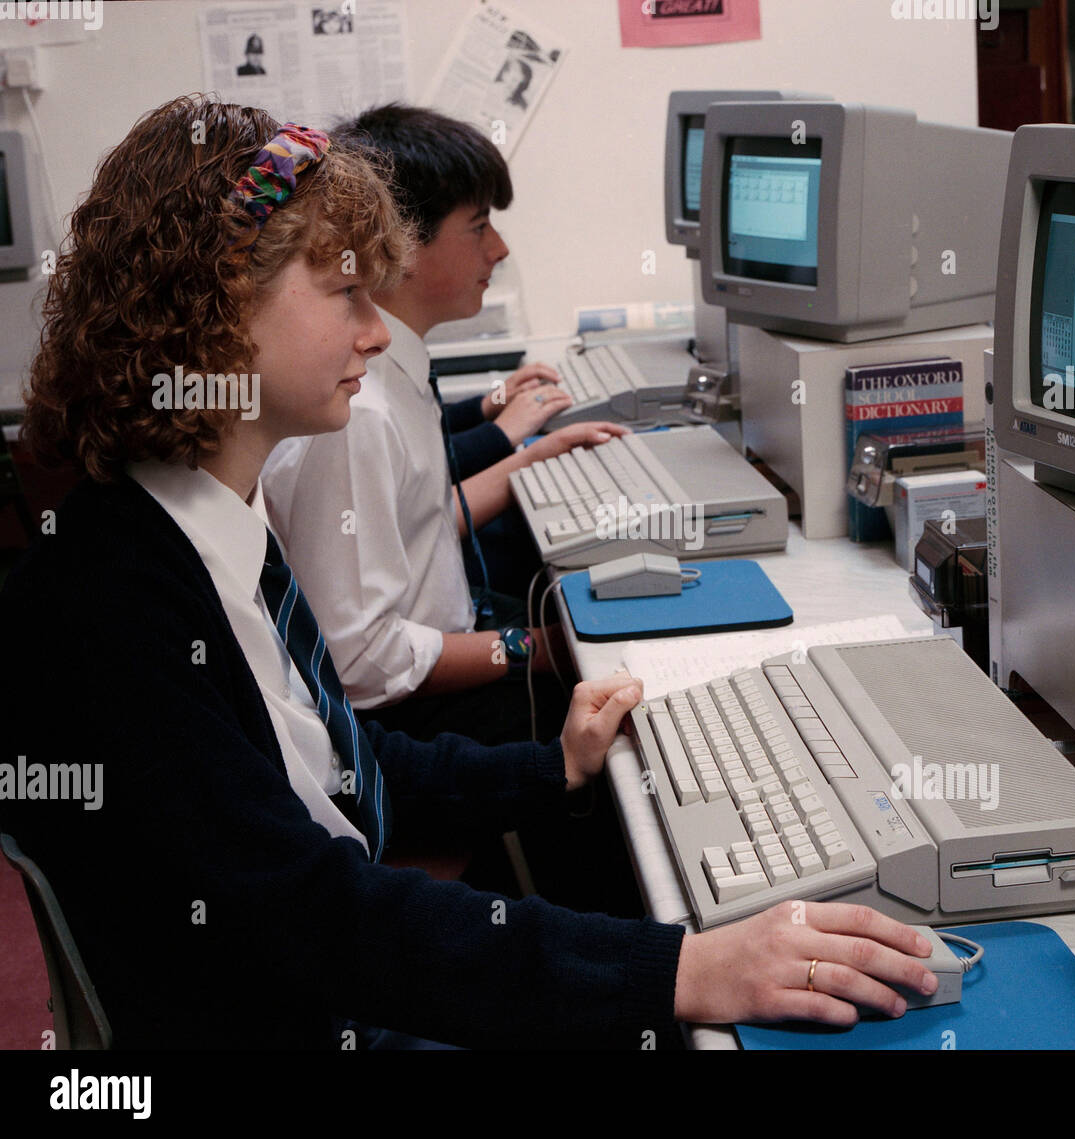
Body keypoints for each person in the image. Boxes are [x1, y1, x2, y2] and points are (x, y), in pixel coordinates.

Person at [0, 93, 939, 1050]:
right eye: (347, 294)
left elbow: (338, 768)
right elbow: (314, 915)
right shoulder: (110, 605)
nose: (376, 331)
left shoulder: (204, 523)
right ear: (217, 307)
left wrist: (550, 767)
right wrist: (683, 970)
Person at [261, 105, 611, 748]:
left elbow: (413, 530)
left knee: (609, 625)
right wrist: (529, 647)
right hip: (408, 713)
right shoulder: (357, 413)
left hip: (440, 639)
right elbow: (364, 662)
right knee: (617, 705)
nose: (498, 249)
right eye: (478, 226)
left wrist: (533, 458)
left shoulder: (395, 374)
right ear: (404, 242)